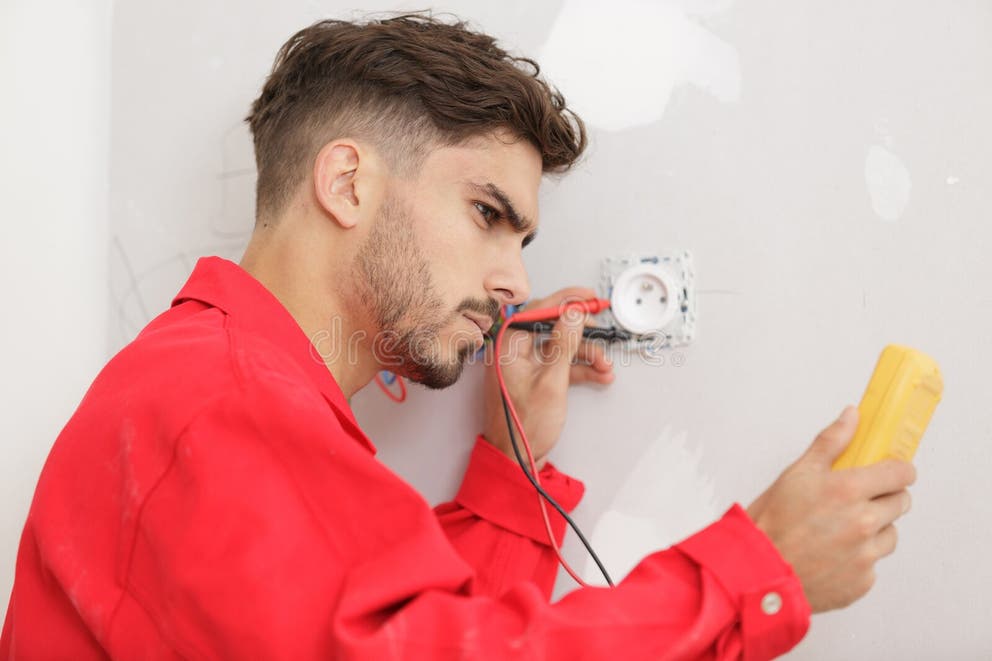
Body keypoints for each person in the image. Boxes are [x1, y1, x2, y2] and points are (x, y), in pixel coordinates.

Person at [0, 13, 915, 660]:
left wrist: (509, 478)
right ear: (348, 184)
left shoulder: (220, 390)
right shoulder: (214, 406)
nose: (516, 280)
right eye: (487, 213)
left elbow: (394, 631)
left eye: (523, 241)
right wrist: (761, 568)